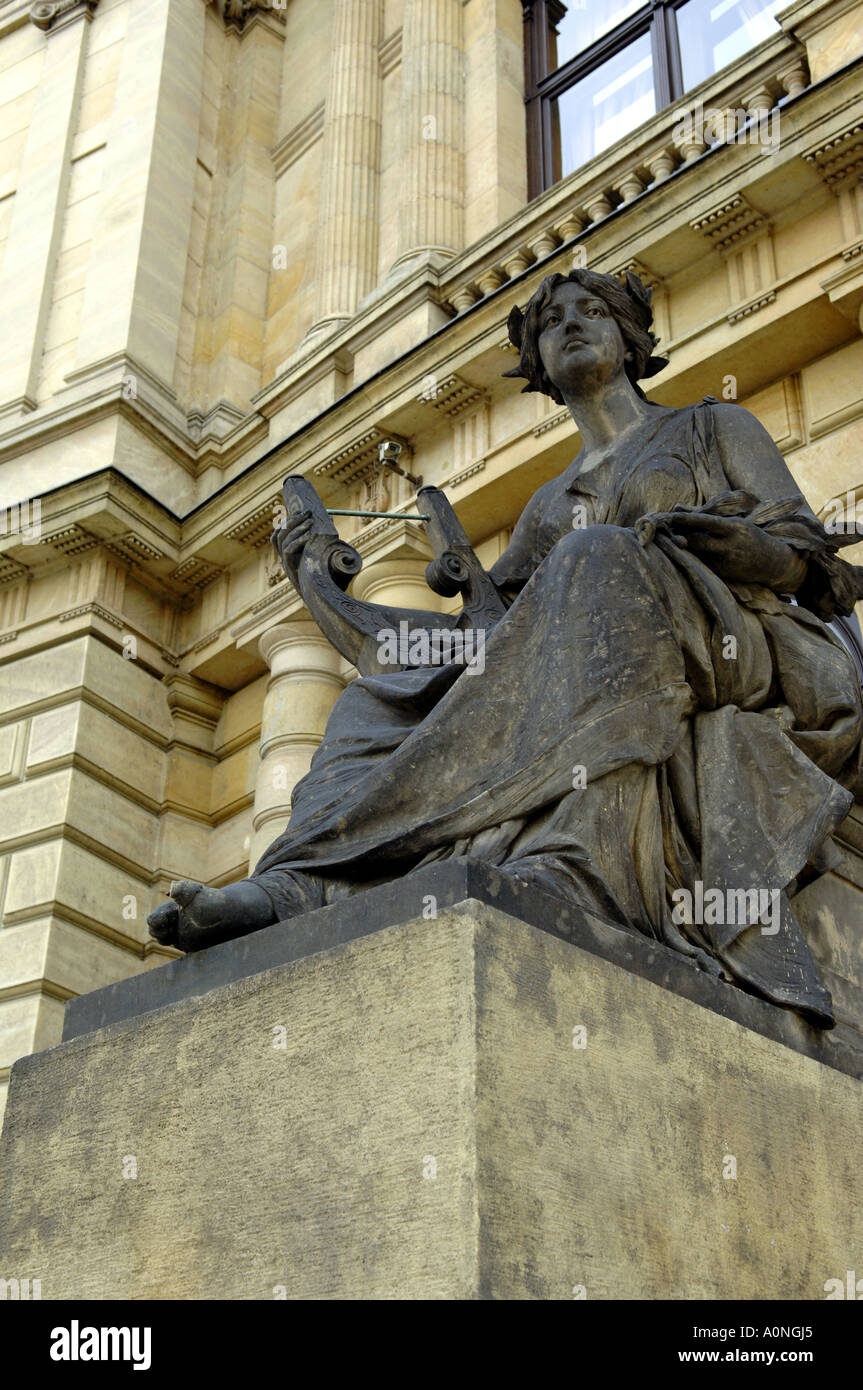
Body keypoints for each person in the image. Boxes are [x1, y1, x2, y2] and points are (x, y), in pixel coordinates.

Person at [148, 269, 863, 1027]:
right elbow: (482, 646)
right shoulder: (546, 506)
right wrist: (327, 598)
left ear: (630, 339)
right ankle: (301, 878)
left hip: (738, 647)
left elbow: (808, 566)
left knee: (595, 562)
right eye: (551, 321)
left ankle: (574, 867)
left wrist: (739, 545)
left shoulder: (711, 427)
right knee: (371, 698)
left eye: (593, 311)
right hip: (612, 641)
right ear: (539, 369)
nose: (572, 325)